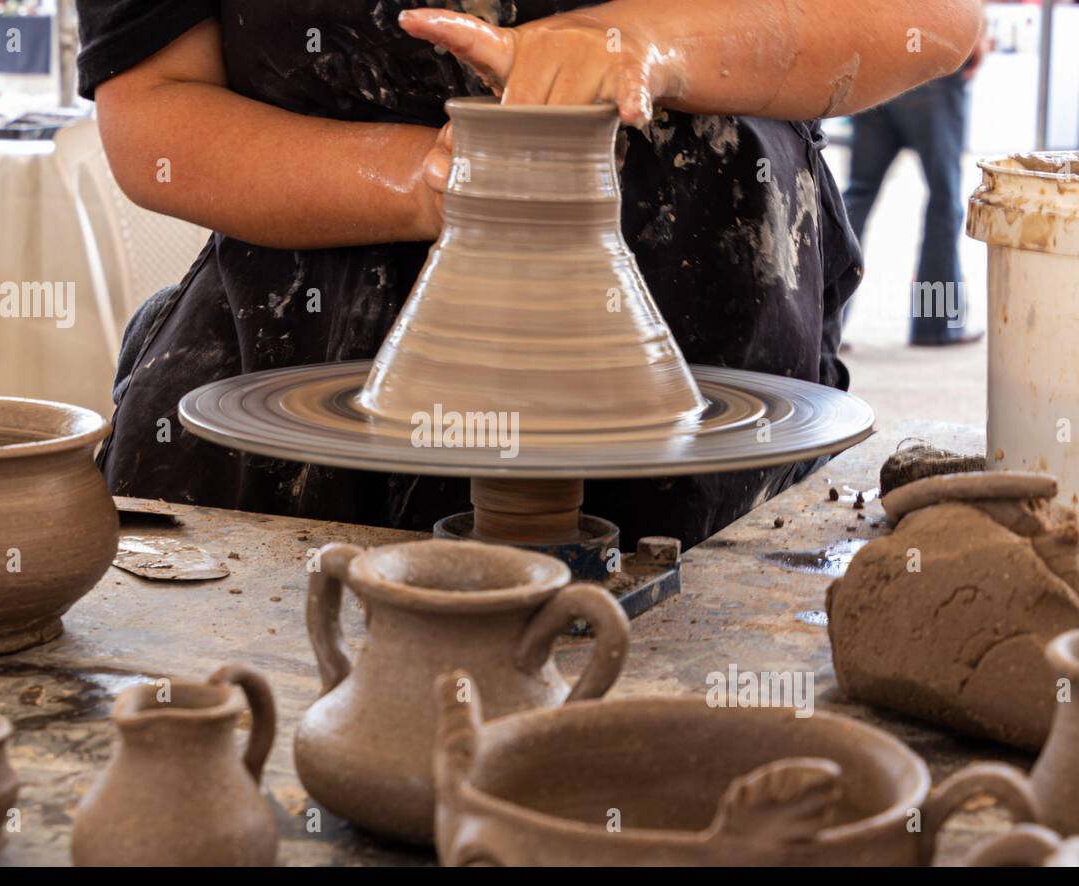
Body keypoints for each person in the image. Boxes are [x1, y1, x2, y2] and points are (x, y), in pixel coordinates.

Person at [77, 1, 982, 548]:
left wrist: (639, 44)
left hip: (701, 323)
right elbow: (153, 109)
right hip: (296, 325)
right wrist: (431, 183)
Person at [843, 5, 989, 346]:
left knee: (856, 197)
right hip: (932, 64)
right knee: (944, 200)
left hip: (875, 63)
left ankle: (822, 325)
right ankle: (933, 324)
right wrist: (976, 31)